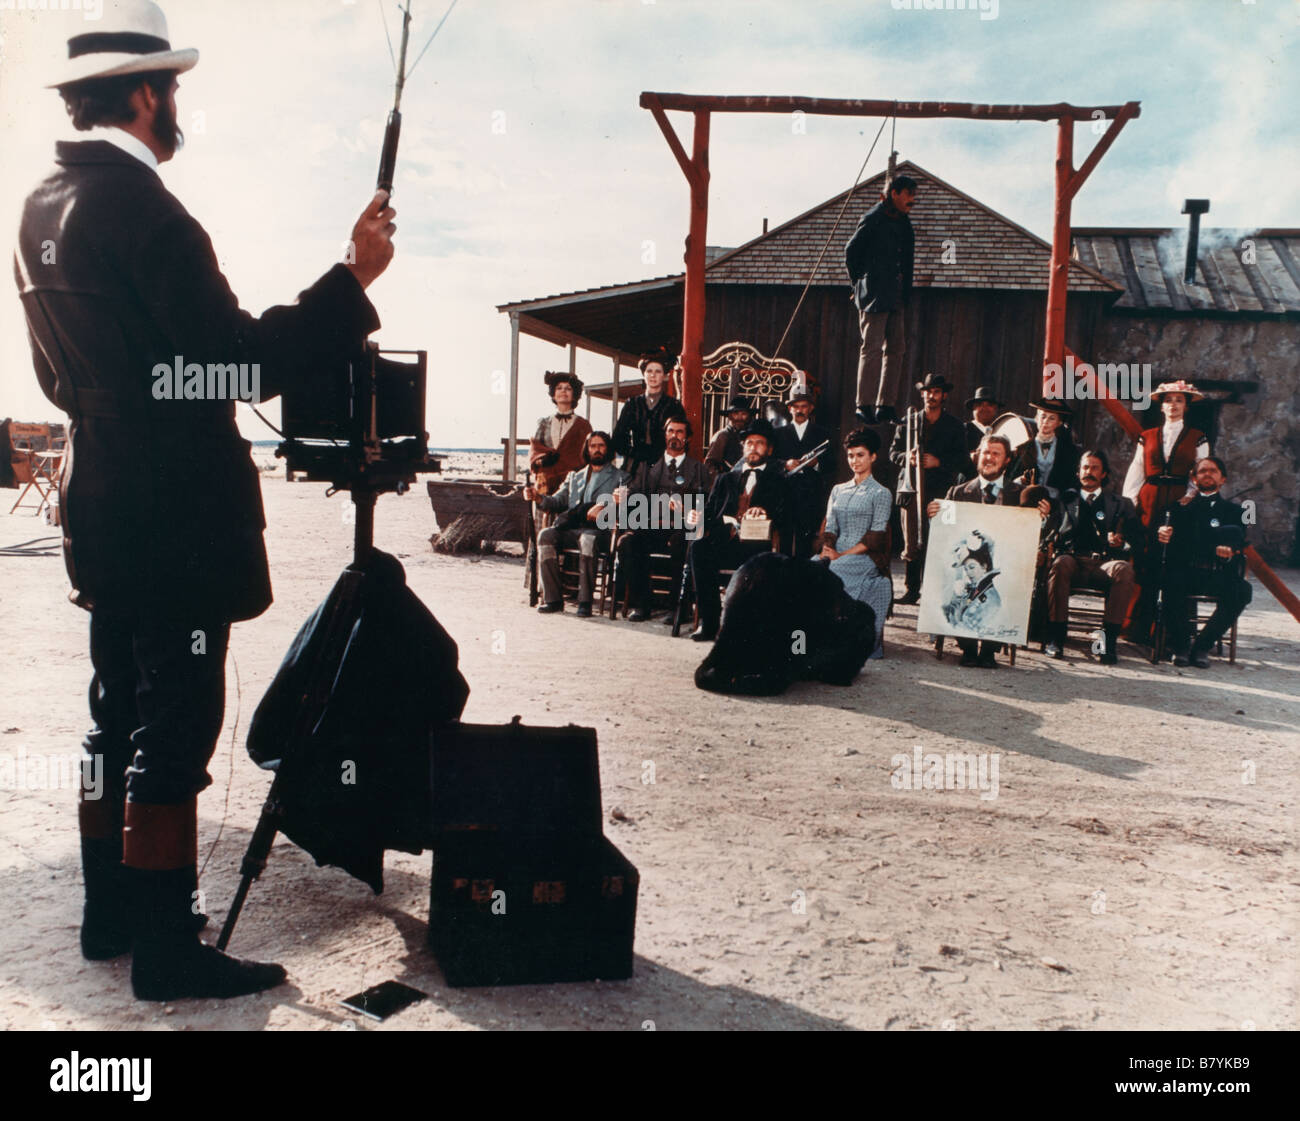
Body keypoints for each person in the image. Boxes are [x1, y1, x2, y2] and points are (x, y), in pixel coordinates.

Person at [13, 1, 395, 1001]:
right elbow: (233, 363)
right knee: (175, 726)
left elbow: (59, 380)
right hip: (174, 512)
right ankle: (168, 951)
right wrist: (351, 278)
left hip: (99, 499)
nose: (175, 108)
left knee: (114, 715)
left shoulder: (42, 202)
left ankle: (113, 914)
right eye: (171, 90)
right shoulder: (144, 209)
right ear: (146, 91)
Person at [927, 435, 1052, 667]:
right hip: (968, 568)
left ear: (1006, 461)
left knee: (1010, 586)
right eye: (986, 452)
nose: (990, 458)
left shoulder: (1021, 494)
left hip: (1002, 566)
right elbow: (944, 539)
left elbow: (1030, 537)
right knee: (957, 585)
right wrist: (934, 515)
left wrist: (1041, 518)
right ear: (977, 456)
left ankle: (990, 649)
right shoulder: (957, 492)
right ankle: (968, 647)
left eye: (996, 453)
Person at [685, 420, 789, 641]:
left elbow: (788, 516)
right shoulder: (725, 479)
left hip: (758, 547)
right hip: (726, 542)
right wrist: (698, 518)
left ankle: (748, 629)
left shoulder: (779, 480)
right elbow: (711, 515)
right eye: (749, 443)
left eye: (760, 443)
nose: (753, 447)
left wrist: (766, 513)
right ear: (743, 447)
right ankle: (709, 623)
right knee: (699, 547)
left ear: (769, 449)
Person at [1043, 451, 1142, 664]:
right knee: (1060, 564)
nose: (1089, 472)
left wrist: (1121, 541)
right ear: (1078, 472)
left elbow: (1138, 538)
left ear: (1104, 473)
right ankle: (1056, 638)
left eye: (1095, 468)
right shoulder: (1063, 500)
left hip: (1104, 564)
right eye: (1085, 468)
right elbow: (1048, 532)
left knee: (1124, 569)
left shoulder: (1122, 503)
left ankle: (1106, 643)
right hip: (1073, 560)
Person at [1156, 457, 1252, 668]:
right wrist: (1162, 533)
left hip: (1217, 574)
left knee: (1242, 591)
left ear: (1223, 479)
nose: (1207, 474)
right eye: (1202, 471)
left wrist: (1230, 548)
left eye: (1213, 471)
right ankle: (1180, 646)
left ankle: (1202, 645)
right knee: (1169, 579)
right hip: (1186, 571)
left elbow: (1239, 538)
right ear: (1194, 477)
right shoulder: (1179, 508)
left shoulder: (1236, 512)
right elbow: (1167, 535)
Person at [613, 416, 709, 621]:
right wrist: (623, 496)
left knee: (680, 542)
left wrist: (689, 508)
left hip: (682, 528)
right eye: (670, 431)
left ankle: (678, 608)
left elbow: (707, 503)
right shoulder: (648, 468)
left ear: (688, 438)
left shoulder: (699, 469)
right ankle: (642, 604)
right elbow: (633, 494)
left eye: (680, 432)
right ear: (665, 435)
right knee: (627, 542)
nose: (675, 436)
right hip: (653, 525)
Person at [524, 431, 625, 616]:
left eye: (601, 445)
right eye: (593, 446)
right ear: (586, 449)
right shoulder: (574, 477)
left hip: (600, 532)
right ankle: (553, 599)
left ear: (608, 449)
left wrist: (606, 505)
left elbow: (626, 507)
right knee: (545, 536)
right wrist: (537, 498)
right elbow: (556, 502)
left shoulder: (620, 477)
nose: (597, 450)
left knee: (587, 539)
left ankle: (584, 601)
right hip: (571, 530)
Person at [889, 372, 968, 605]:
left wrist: (938, 462)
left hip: (941, 489)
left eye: (935, 392)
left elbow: (963, 460)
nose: (930, 396)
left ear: (944, 395)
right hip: (911, 488)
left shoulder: (955, 426)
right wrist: (908, 457)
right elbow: (893, 453)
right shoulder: (908, 420)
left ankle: (934, 591)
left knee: (938, 540)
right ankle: (912, 590)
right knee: (911, 540)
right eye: (927, 392)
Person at [845, 174, 917, 425]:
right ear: (894, 193)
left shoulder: (904, 223)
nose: (912, 200)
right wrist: (859, 284)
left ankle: (885, 406)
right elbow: (851, 252)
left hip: (896, 295)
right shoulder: (873, 218)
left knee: (897, 348)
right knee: (872, 349)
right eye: (908, 194)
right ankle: (863, 405)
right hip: (874, 295)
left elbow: (907, 261)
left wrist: (905, 293)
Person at [819, 428, 892, 658]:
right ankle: (808, 641)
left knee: (832, 573)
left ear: (873, 457)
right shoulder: (838, 490)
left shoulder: (881, 493)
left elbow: (876, 536)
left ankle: (839, 640)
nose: (855, 461)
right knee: (809, 571)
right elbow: (830, 526)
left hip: (865, 557)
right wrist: (828, 550)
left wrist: (842, 556)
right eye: (851, 456)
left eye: (860, 455)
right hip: (836, 552)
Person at [1122, 380, 1209, 530]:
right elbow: (1137, 468)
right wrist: (1131, 502)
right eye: (1168, 400)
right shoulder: (1146, 436)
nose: (1173, 405)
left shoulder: (1198, 437)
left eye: (1179, 400)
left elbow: (1200, 470)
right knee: (1145, 541)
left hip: (1179, 499)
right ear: (1162, 407)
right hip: (1149, 499)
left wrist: (1190, 495)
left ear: (1186, 406)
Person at [772, 382, 834, 558]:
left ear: (811, 408)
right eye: (796, 406)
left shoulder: (823, 434)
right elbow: (769, 463)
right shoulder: (778, 433)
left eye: (804, 406)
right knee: (783, 541)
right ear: (790, 408)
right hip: (784, 496)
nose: (800, 410)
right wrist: (785, 464)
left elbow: (832, 465)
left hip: (811, 496)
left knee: (806, 544)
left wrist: (815, 463)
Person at [611, 352, 685, 471]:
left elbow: (681, 437)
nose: (653, 375)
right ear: (643, 374)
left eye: (658, 371)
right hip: (635, 465)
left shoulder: (673, 405)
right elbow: (618, 437)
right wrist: (632, 453)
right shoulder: (632, 404)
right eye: (649, 371)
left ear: (665, 375)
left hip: (664, 465)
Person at [529, 371, 591, 498]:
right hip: (545, 482)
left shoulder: (583, 425)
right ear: (553, 394)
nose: (563, 391)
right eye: (559, 388)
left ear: (575, 394)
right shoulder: (543, 423)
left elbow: (588, 455)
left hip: (573, 484)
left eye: (568, 388)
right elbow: (535, 449)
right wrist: (541, 460)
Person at [1010, 398, 1080, 497]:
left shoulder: (1069, 451)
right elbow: (1009, 481)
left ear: (1059, 423)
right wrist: (1021, 480)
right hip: (1027, 502)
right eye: (1043, 416)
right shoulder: (1021, 449)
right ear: (1036, 418)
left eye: (1051, 418)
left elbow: (1072, 482)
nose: (1045, 421)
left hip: (1056, 504)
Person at [705, 395, 754, 483]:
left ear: (749, 416)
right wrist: (723, 482)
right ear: (730, 416)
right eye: (736, 414)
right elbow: (710, 465)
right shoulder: (722, 436)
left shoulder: (751, 436)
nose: (739, 418)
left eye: (743, 414)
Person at [964, 385, 1000, 456]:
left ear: (995, 408)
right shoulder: (962, 429)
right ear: (973, 408)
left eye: (989, 404)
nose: (985, 408)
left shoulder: (1002, 431)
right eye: (979, 404)